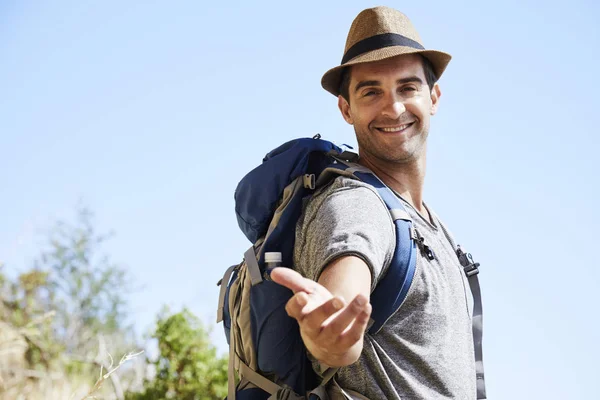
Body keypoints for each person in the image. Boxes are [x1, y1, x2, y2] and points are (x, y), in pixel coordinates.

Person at [270, 6, 483, 399]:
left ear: (433, 96)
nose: (394, 108)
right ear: (346, 108)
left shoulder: (432, 226)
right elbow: (343, 311)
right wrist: (329, 335)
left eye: (408, 88)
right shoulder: (357, 205)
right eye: (371, 91)